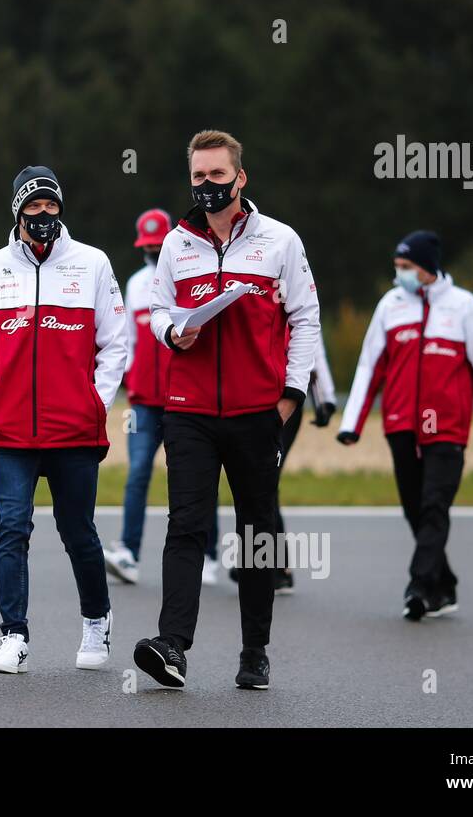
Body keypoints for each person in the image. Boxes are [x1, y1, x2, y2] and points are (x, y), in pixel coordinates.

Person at [132, 129, 320, 692]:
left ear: (240, 177)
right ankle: (173, 646)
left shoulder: (280, 241)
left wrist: (291, 394)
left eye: (217, 175)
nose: (207, 186)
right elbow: (159, 306)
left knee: (255, 532)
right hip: (187, 410)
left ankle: (255, 651)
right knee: (185, 525)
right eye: (198, 177)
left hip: (256, 411)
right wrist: (170, 331)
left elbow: (306, 319)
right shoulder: (175, 243)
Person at [0, 166, 128, 674]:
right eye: (34, 207)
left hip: (73, 429)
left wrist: (94, 403)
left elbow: (115, 345)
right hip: (9, 430)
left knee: (77, 528)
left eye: (51, 207)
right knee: (11, 527)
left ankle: (96, 622)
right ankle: (13, 636)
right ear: (17, 211)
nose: (44, 216)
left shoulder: (93, 263)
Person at [336, 230, 473, 621]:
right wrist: (352, 423)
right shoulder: (390, 305)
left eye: (406, 267)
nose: (397, 274)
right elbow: (370, 365)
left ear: (427, 268)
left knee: (435, 505)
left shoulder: (464, 306)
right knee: (414, 508)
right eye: (396, 267)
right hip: (400, 423)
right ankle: (445, 584)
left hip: (447, 427)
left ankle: (418, 586)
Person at [102, 208, 183, 585]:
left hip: (183, 403)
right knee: (137, 474)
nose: (152, 251)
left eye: (157, 244)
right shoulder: (133, 285)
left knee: (190, 479)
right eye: (147, 246)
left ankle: (209, 555)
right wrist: (127, 383)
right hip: (142, 404)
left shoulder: (183, 280)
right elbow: (128, 343)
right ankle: (129, 553)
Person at [226, 338, 336, 593]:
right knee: (256, 478)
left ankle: (269, 564)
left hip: (287, 400)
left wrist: (326, 397)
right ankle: (270, 562)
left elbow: (311, 340)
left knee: (264, 477)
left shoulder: (292, 298)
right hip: (252, 396)